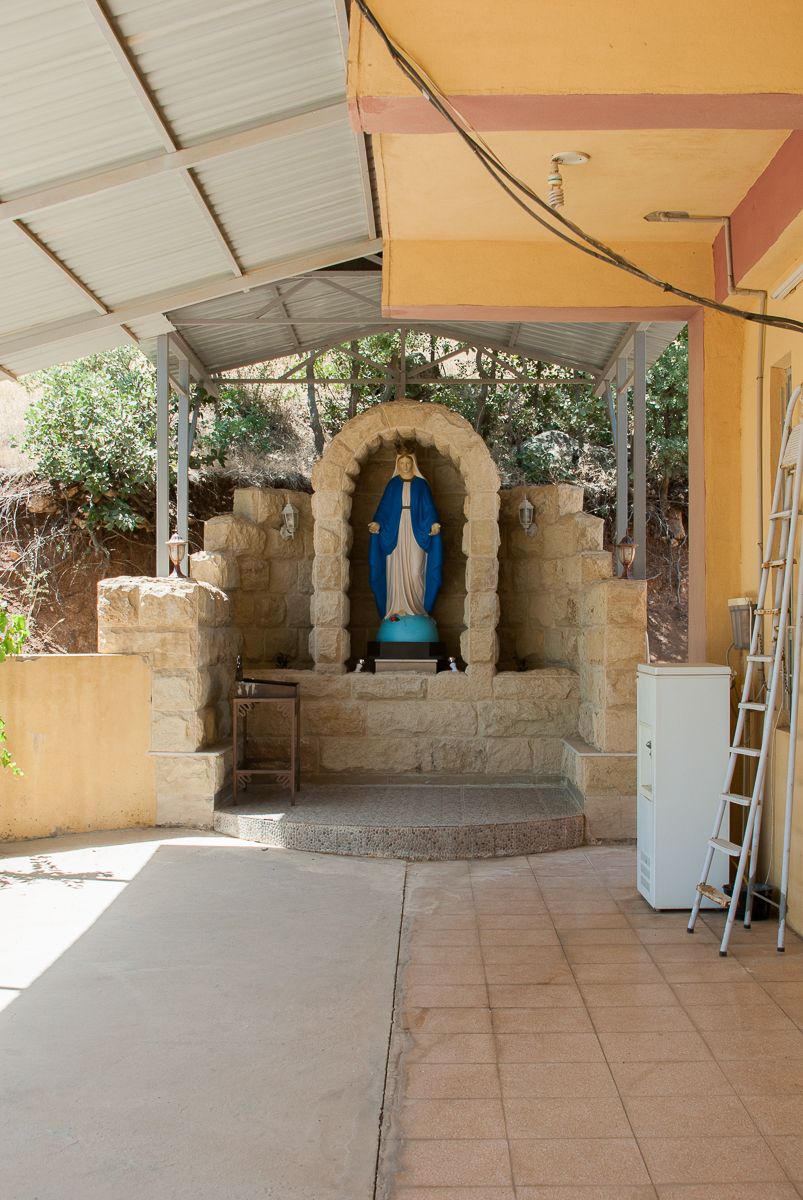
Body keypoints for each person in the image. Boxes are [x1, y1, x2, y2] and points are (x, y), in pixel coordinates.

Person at [367, 451, 443, 619]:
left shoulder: (422, 485)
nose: (405, 466)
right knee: (397, 569)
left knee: (416, 570)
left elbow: (429, 507)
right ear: (397, 465)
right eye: (402, 463)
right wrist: (377, 522)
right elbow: (384, 508)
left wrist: (434, 522)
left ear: (413, 464)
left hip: (418, 530)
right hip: (395, 531)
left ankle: (418, 609)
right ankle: (397, 607)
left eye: (408, 463)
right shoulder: (392, 484)